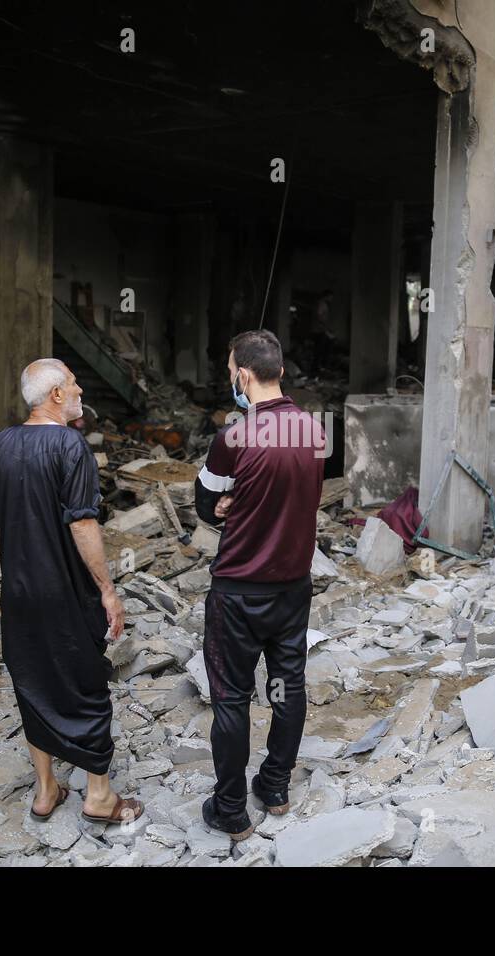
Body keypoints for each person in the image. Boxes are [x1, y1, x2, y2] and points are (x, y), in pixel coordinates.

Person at [0, 358, 143, 826]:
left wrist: (25, 550)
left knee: (33, 683)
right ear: (55, 396)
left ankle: (46, 791)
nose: (80, 387)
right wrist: (107, 589)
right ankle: (99, 797)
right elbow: (83, 522)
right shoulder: (70, 446)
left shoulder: (0, 444)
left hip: (20, 596)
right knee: (86, 683)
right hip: (66, 594)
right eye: (72, 382)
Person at [193, 330, 325, 839]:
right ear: (281, 373)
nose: (231, 379)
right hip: (292, 588)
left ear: (244, 376)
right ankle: (274, 786)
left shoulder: (234, 437)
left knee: (231, 698)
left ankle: (229, 810)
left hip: (238, 592)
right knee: (286, 687)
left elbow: (206, 508)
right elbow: (297, 497)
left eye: (231, 372)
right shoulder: (314, 432)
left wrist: (233, 503)